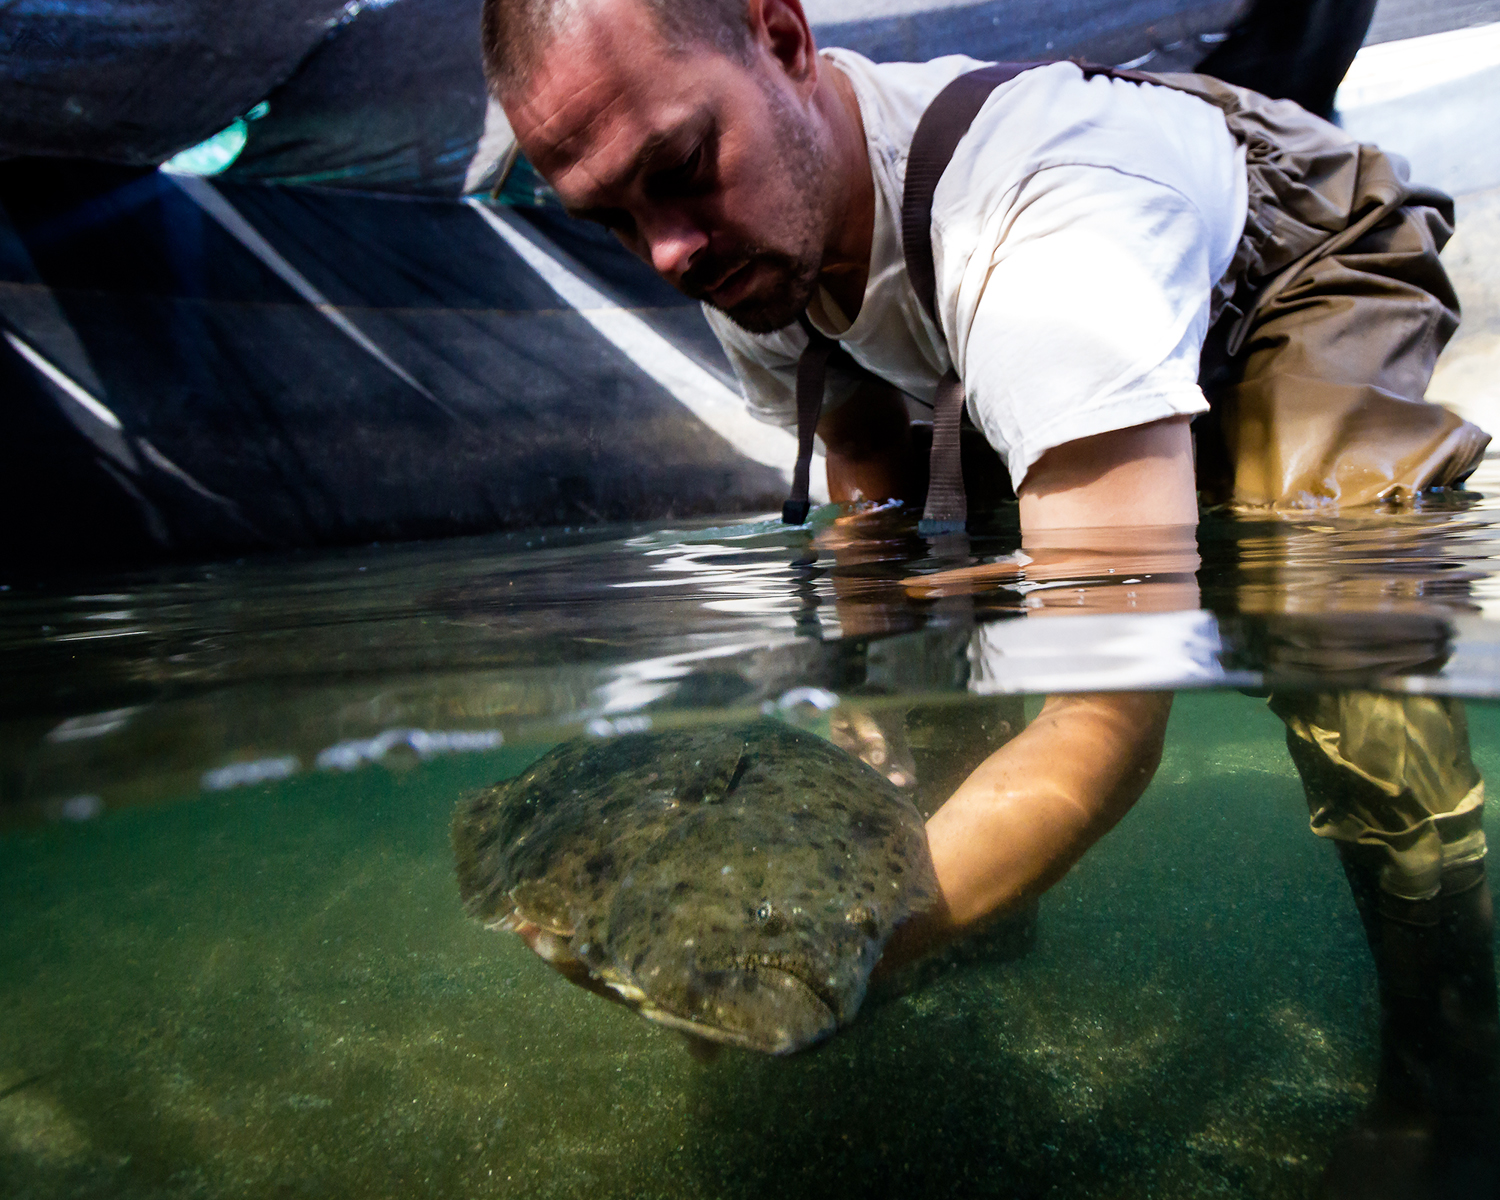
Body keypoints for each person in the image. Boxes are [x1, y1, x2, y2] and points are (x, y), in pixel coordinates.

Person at [482, 0, 1496, 1185]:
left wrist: (812, 962)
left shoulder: (1051, 245)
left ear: (783, 37)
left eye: (681, 168)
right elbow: (878, 520)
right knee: (941, 588)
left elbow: (1108, 718)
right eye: (611, 217)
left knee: (1328, 604)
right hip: (1043, 300)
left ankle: (1454, 1051)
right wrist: (885, 720)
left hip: (1284, 253)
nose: (664, 253)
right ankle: (984, 896)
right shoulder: (745, 241)